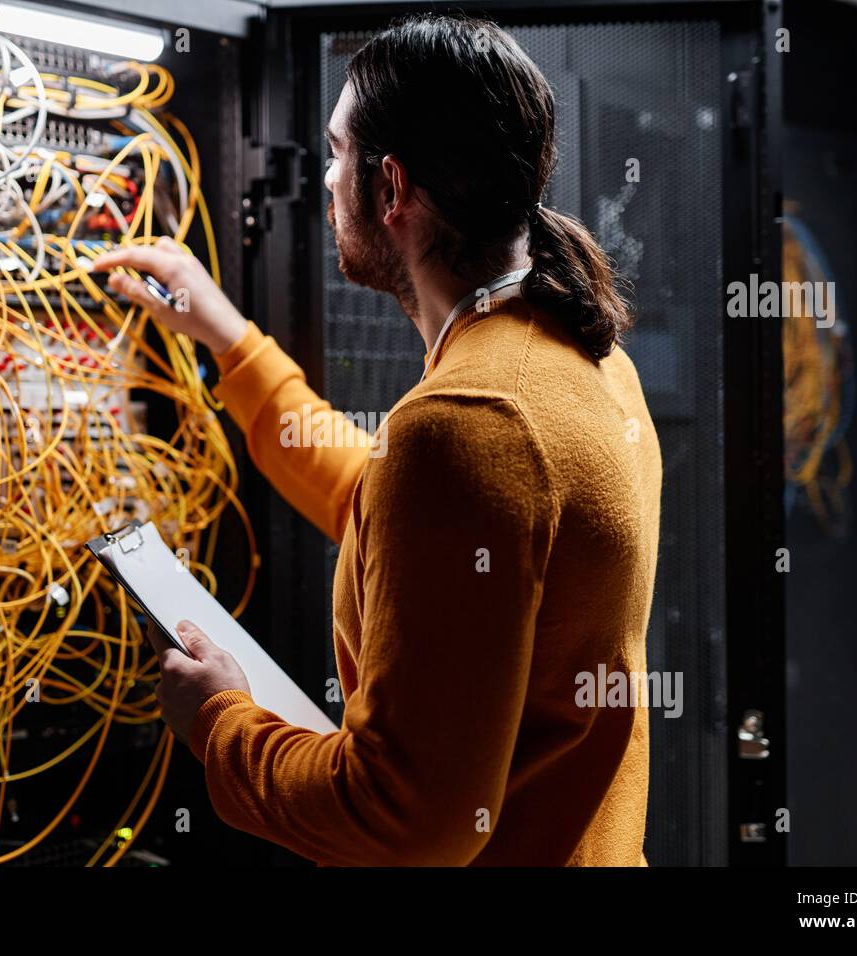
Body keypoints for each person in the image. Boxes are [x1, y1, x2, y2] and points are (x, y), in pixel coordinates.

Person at [91, 12, 661, 866]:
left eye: (334, 152)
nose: (325, 178)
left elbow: (405, 821)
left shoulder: (466, 427)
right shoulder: (586, 359)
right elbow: (395, 509)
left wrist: (222, 724)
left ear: (390, 189)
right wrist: (230, 342)